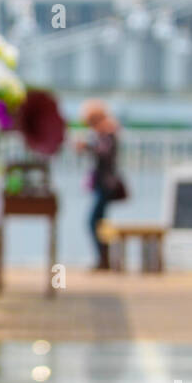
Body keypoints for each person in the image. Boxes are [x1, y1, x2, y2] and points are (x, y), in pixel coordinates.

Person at [75, 99, 125, 270]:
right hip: (103, 183)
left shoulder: (107, 131)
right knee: (100, 221)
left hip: (105, 184)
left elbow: (103, 152)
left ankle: (104, 259)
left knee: (94, 221)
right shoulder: (104, 132)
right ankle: (104, 259)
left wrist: (87, 146)